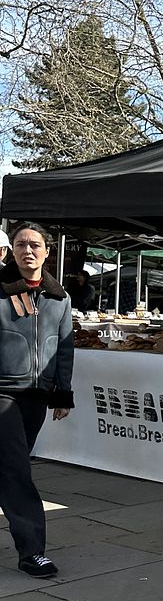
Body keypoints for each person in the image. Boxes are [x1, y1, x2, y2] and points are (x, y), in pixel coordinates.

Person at [0, 222, 74, 578]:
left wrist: (63, 393)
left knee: (8, 468)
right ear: (11, 251)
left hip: (37, 395)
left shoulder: (60, 298)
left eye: (34, 244)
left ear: (47, 251)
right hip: (1, 392)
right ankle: (32, 551)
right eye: (20, 244)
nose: (27, 250)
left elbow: (65, 348)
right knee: (17, 470)